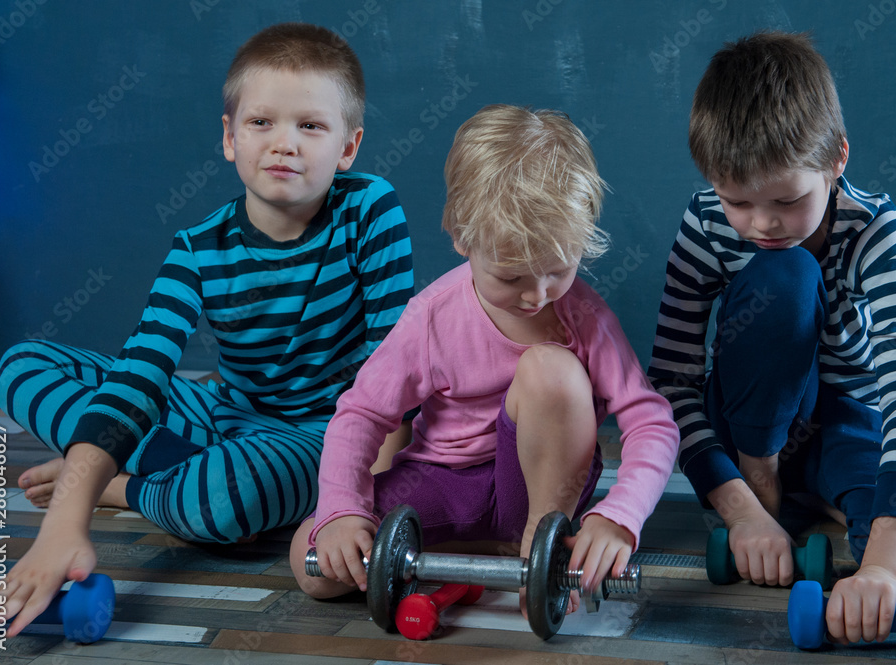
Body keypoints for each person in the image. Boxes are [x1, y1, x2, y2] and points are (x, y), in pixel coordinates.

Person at [0, 23, 413, 636]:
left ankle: (125, 486)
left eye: (310, 126)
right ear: (230, 137)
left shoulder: (369, 209)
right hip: (222, 410)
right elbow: (140, 375)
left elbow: (393, 368)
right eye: (261, 122)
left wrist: (365, 499)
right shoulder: (197, 249)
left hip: (325, 435)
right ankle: (151, 470)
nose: (284, 143)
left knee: (226, 497)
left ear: (348, 147)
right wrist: (63, 526)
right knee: (21, 365)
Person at [289, 104, 679, 614]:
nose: (536, 295)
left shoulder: (584, 316)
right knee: (312, 562)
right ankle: (476, 548)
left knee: (551, 369)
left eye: (558, 270)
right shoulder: (432, 316)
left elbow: (652, 422)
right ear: (461, 238)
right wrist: (342, 509)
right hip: (442, 481)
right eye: (512, 276)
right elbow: (361, 413)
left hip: (540, 490)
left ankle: (537, 551)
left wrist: (619, 516)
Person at [647, 31, 896, 646]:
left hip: (842, 418)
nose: (762, 222)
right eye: (738, 201)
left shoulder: (875, 229)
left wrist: (884, 562)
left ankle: (811, 498)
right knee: (786, 274)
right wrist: (739, 506)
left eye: (787, 200)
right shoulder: (705, 222)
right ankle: (768, 481)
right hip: (745, 422)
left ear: (837, 159)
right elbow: (672, 379)